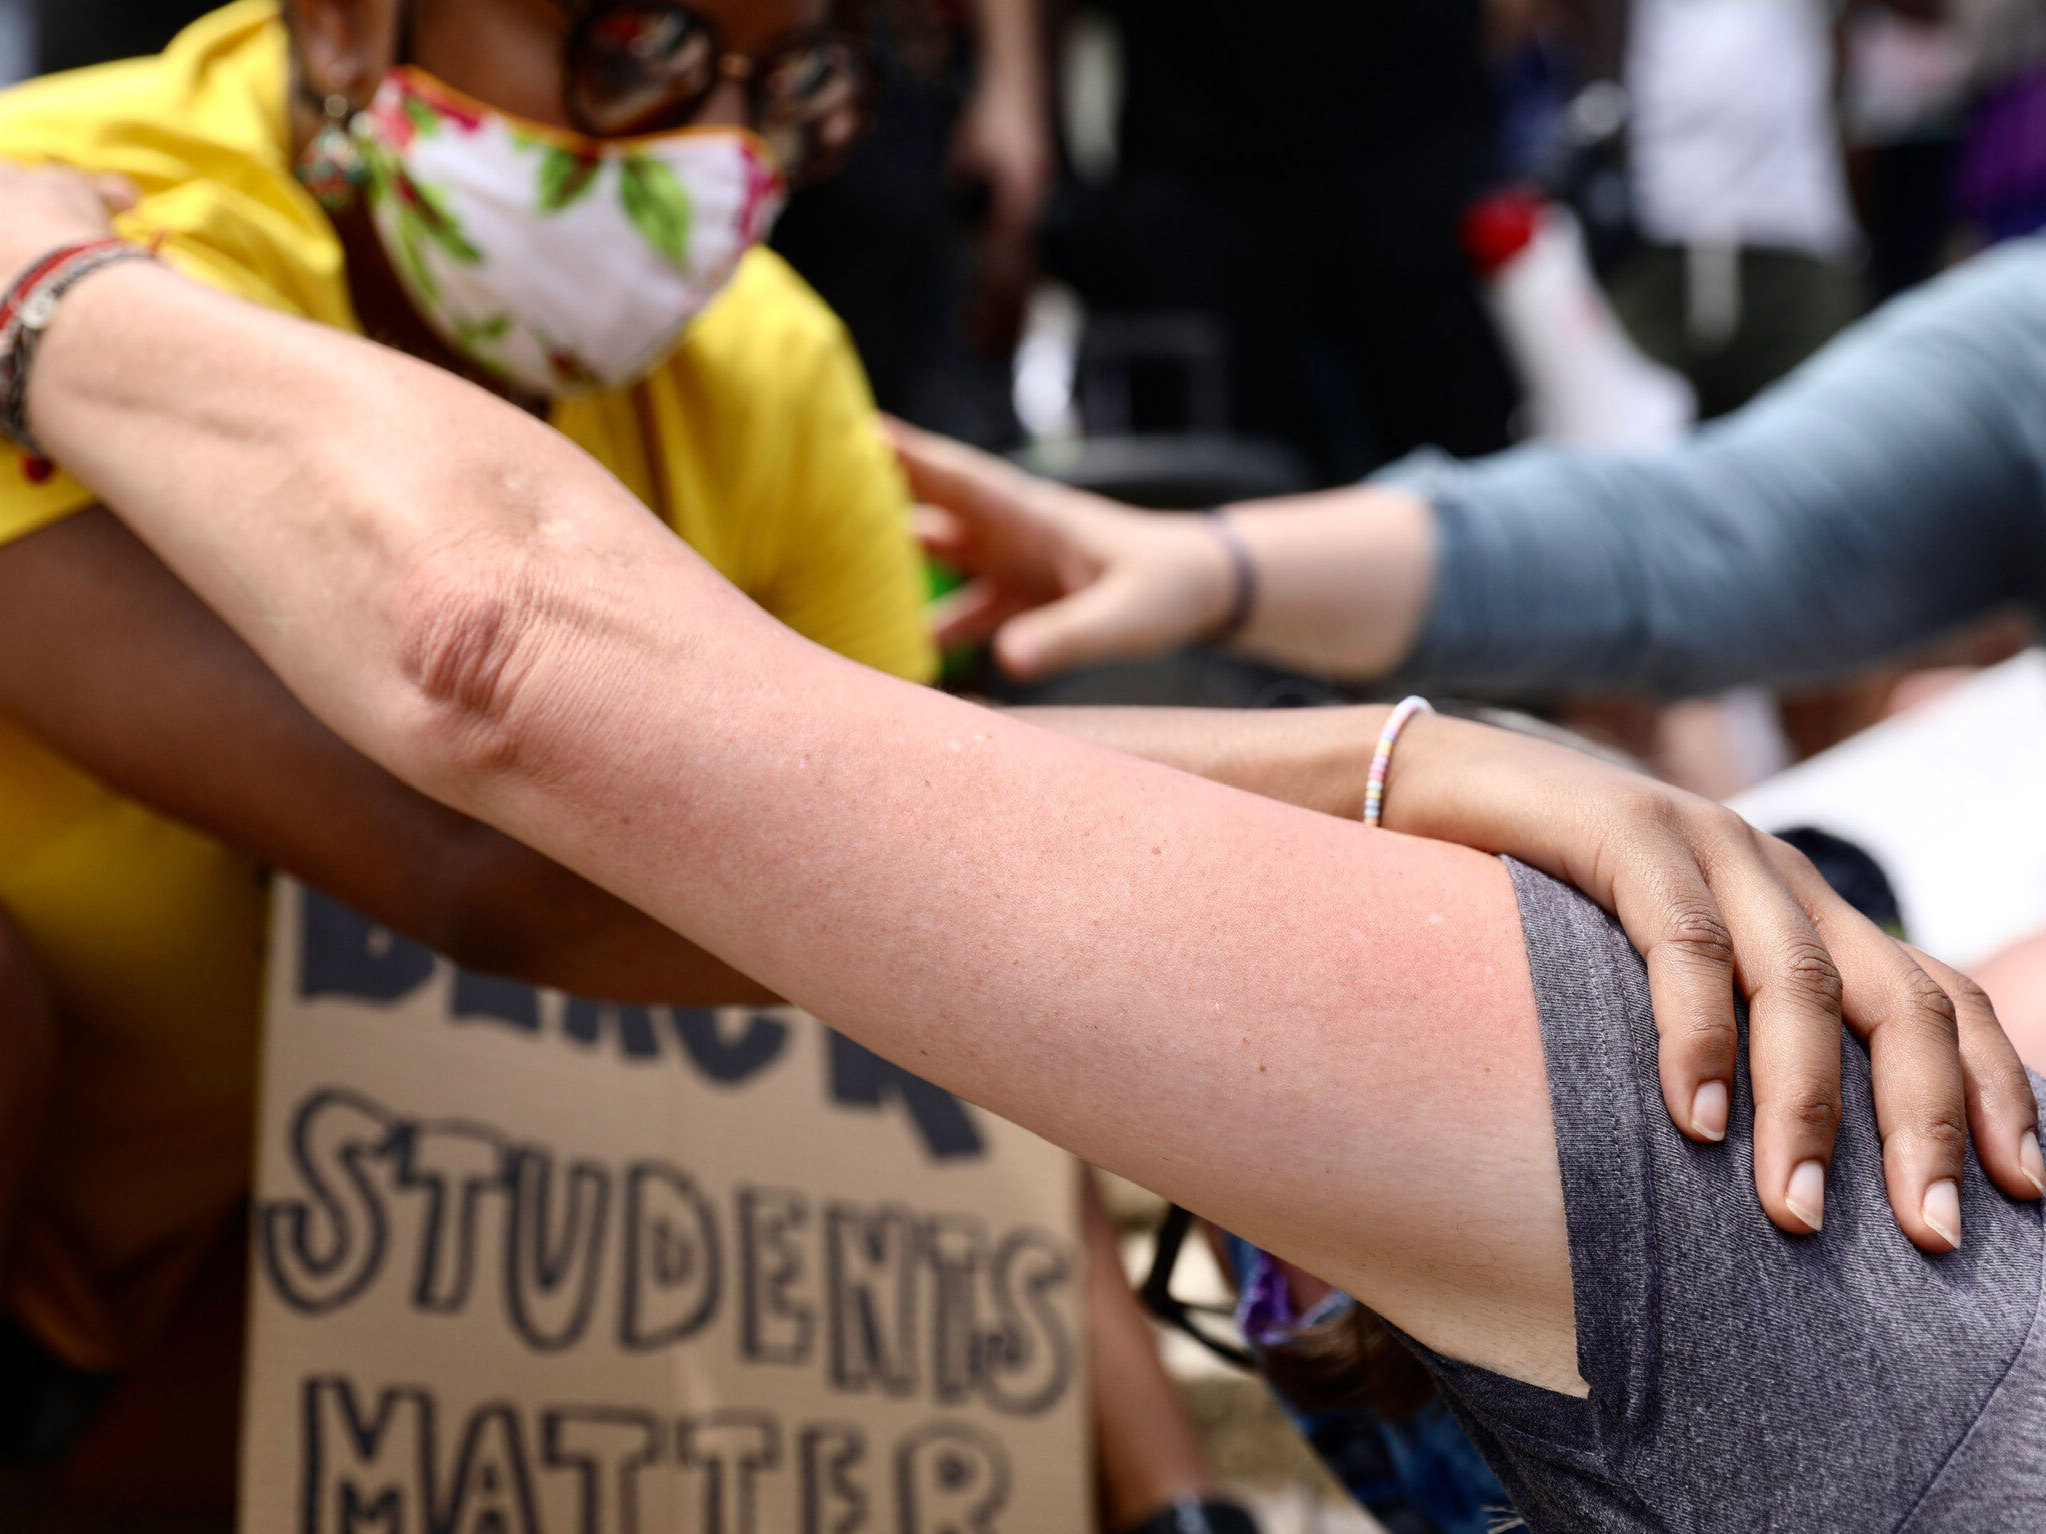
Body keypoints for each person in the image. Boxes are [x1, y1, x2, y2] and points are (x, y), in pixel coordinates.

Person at [0, 9, 1980, 1526]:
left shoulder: (761, 363)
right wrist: (1398, 771)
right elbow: (500, 846)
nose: (711, 157)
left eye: (796, 92)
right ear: (346, 23)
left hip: (312, 1262)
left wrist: (1174, 1497)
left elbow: (956, 969)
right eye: (641, 50)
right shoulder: (62, 237)